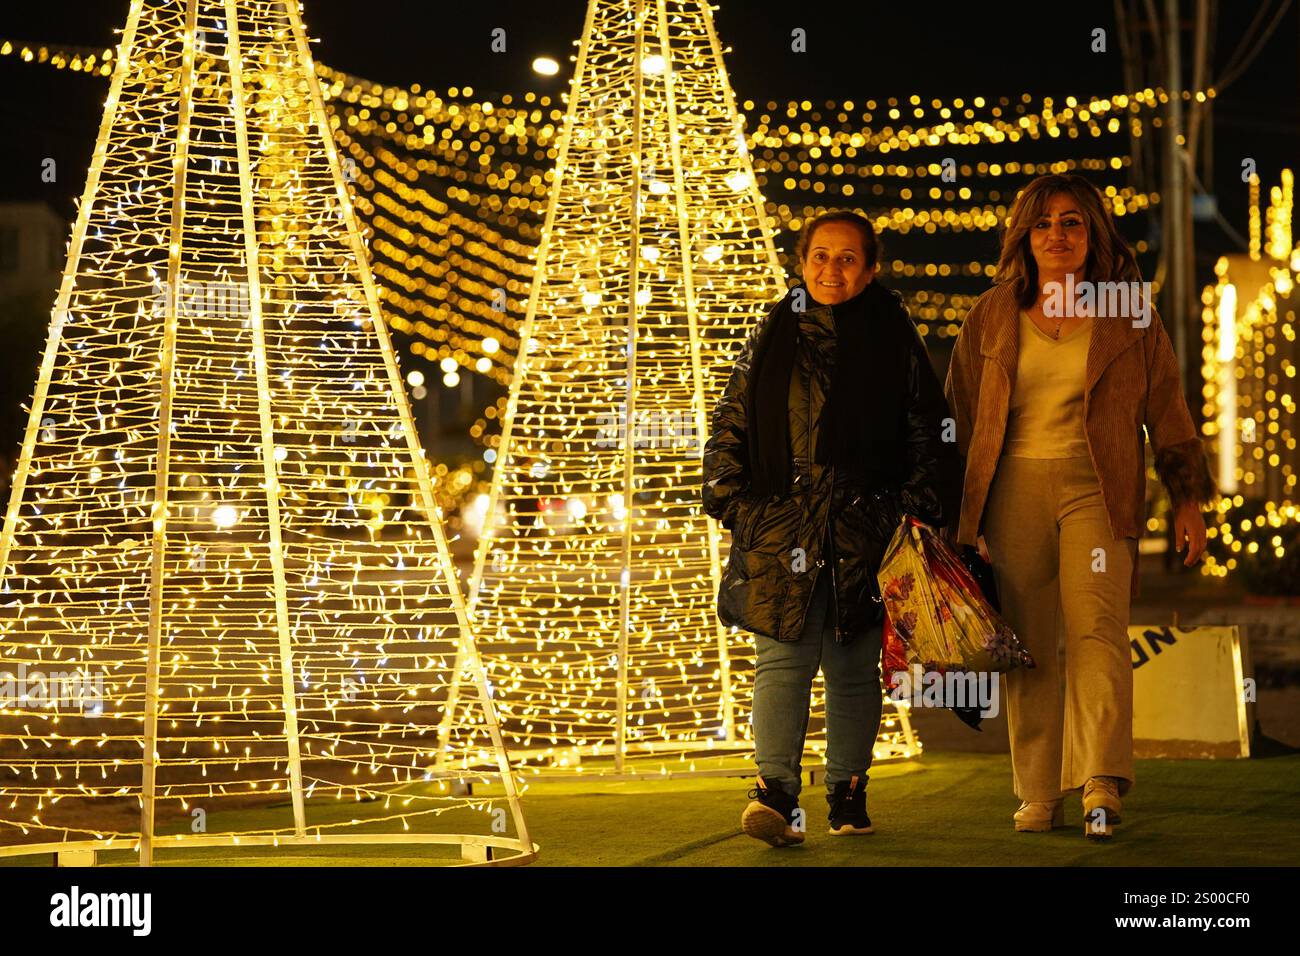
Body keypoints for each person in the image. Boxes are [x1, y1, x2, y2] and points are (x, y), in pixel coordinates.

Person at [943, 173, 1216, 840]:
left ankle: (1100, 781)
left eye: (1071, 222)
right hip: (1011, 494)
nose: (1056, 235)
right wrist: (950, 518)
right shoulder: (991, 313)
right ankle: (1039, 790)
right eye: (1042, 223)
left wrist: (1189, 499)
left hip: (1099, 487)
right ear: (1024, 236)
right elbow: (955, 415)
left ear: (1094, 236)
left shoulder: (1130, 312)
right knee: (1028, 645)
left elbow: (1169, 412)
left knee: (1097, 628)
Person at [702, 210, 961, 847]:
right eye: (820, 256)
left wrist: (906, 511)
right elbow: (732, 418)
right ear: (801, 261)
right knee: (781, 661)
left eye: (847, 258)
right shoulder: (774, 327)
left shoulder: (892, 335)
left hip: (862, 529)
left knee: (850, 665)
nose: (831, 270)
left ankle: (848, 792)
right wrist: (736, 502)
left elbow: (928, 430)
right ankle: (775, 794)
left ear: (870, 268)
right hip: (780, 527)